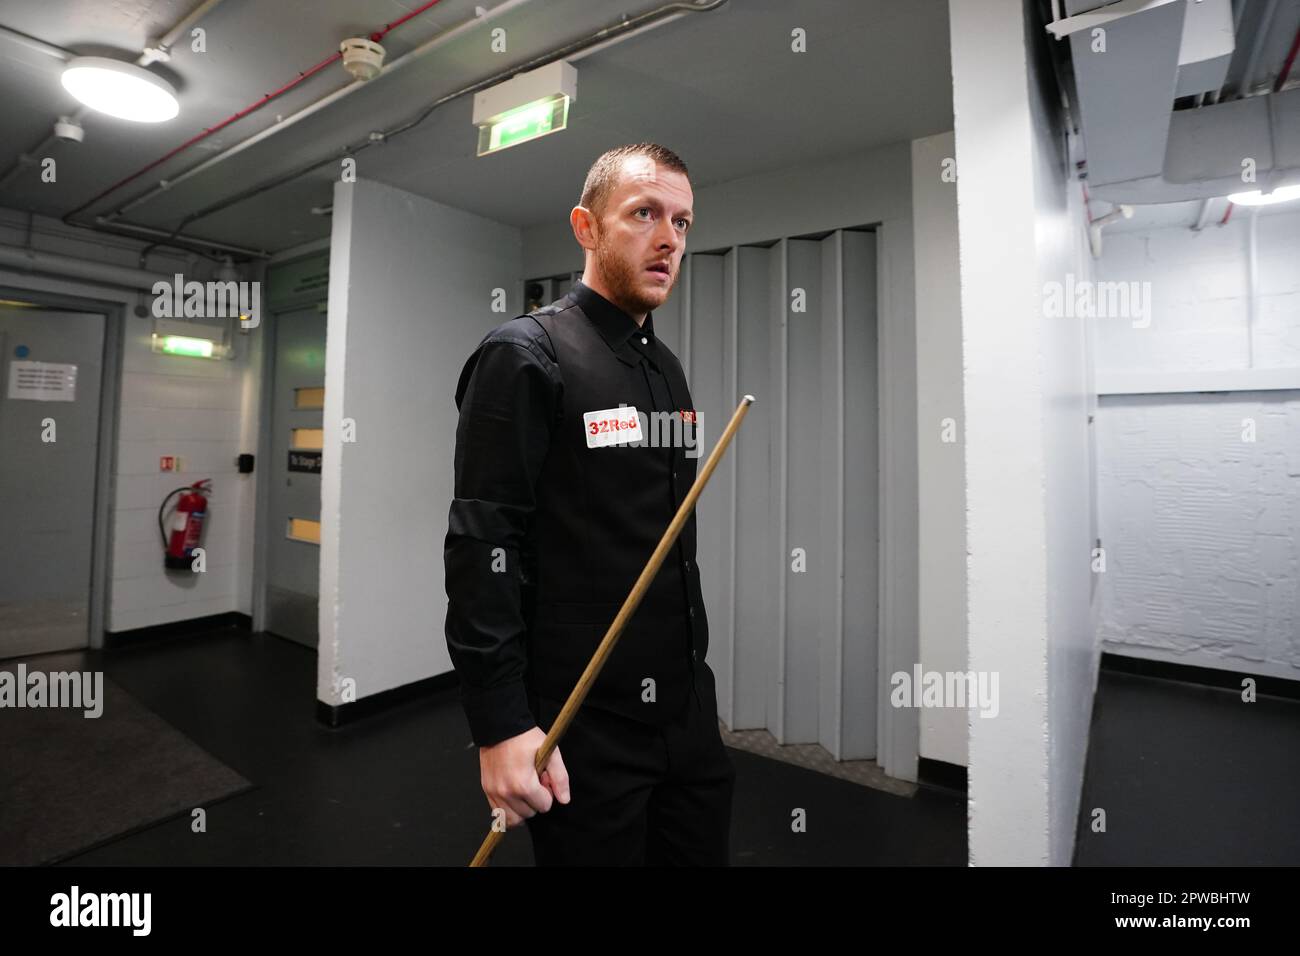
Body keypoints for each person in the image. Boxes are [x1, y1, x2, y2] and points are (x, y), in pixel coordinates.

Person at [443, 143, 735, 866]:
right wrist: (501, 726)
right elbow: (484, 543)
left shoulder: (665, 369)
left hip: (687, 711)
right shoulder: (525, 354)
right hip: (585, 724)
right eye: (644, 214)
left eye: (683, 222)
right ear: (587, 227)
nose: (670, 238)